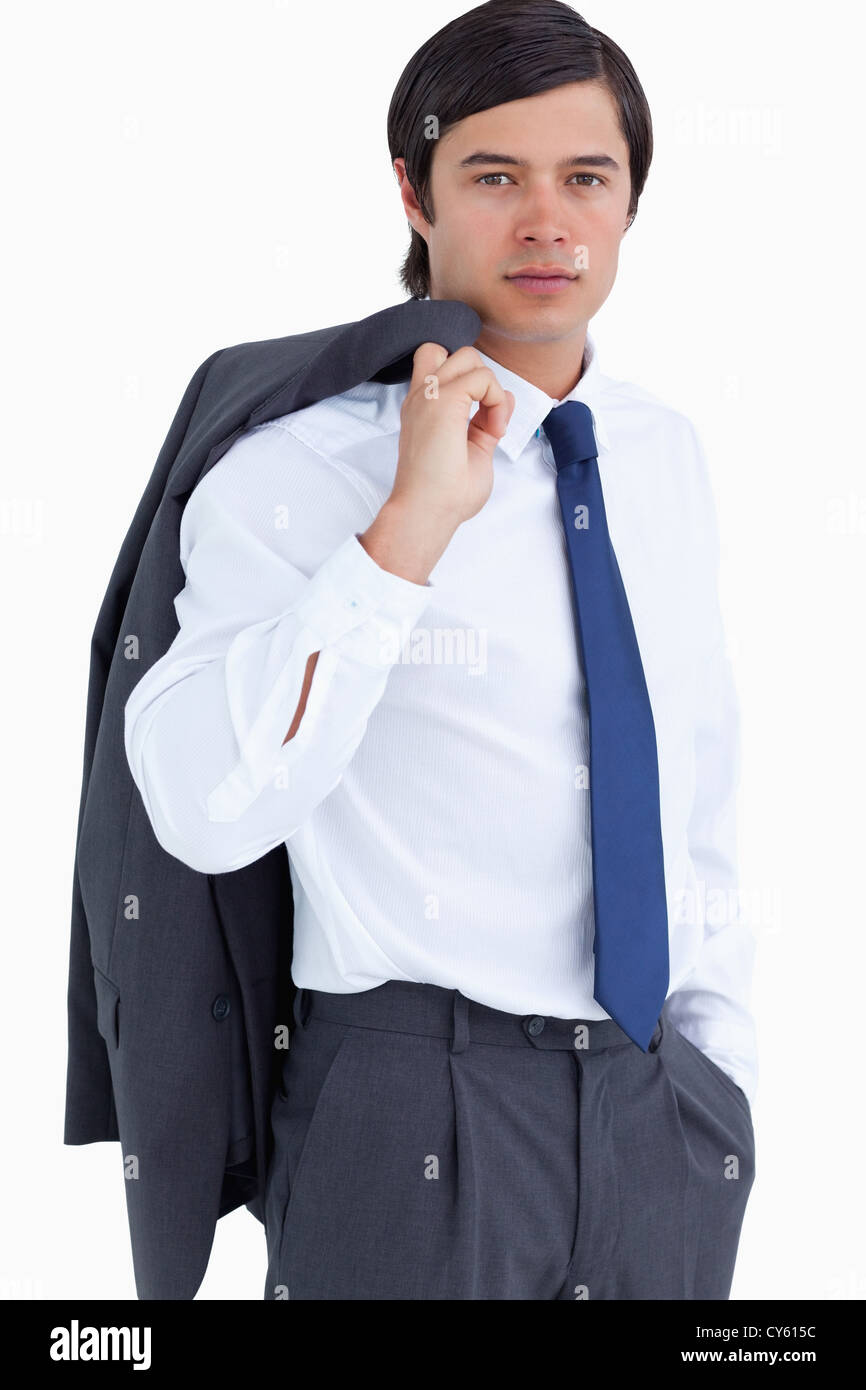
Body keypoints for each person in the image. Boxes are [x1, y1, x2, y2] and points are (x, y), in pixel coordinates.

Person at [123, 0, 757, 1300]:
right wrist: (405, 529)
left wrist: (716, 1080)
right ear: (414, 193)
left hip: (655, 1122)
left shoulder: (662, 450)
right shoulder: (299, 469)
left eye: (586, 178)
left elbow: (696, 782)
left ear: (631, 200)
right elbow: (199, 809)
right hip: (412, 1111)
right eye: (495, 176)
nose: (547, 222)